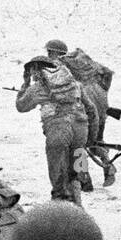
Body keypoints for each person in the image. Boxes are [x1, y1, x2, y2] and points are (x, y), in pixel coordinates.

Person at [14, 56, 96, 203]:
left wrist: (25, 84)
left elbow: (21, 106)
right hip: (81, 128)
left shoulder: (36, 88)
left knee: (58, 172)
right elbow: (92, 110)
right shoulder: (74, 84)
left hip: (58, 130)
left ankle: (60, 201)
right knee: (76, 166)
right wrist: (91, 139)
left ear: (35, 69)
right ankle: (81, 189)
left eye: (31, 71)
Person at [45, 39, 116, 185]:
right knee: (97, 140)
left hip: (86, 107)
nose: (48, 55)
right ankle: (108, 165)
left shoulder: (60, 67)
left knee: (78, 144)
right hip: (101, 103)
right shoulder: (84, 64)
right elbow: (107, 73)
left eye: (49, 52)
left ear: (54, 52)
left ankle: (84, 179)